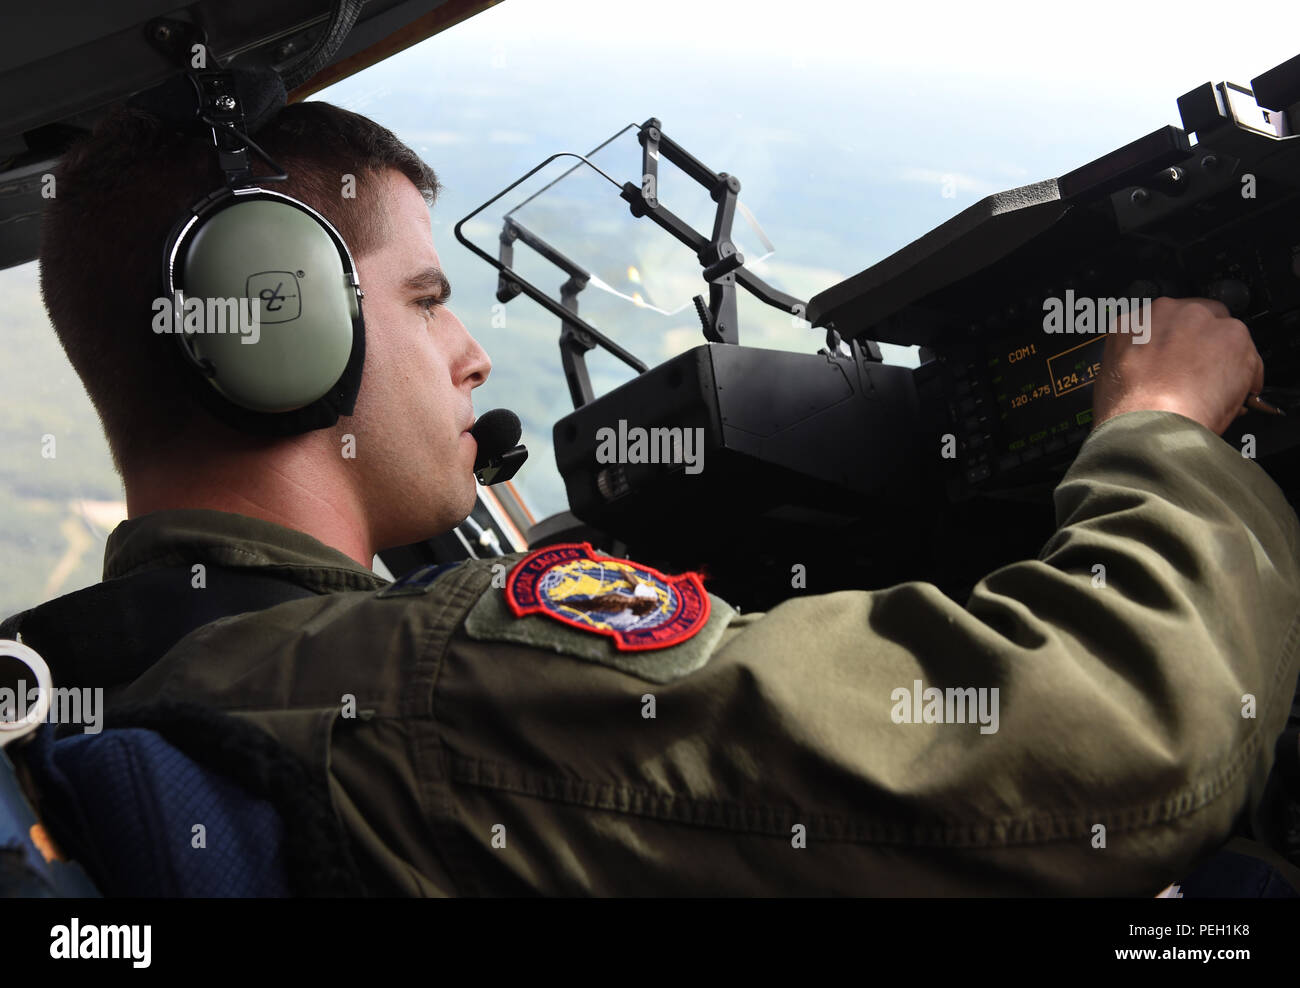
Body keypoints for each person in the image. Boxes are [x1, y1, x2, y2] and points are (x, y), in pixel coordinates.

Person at [17, 97, 1300, 895]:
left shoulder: (106, 673)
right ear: (274, 328)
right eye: (425, 298)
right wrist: (1160, 427)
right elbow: (1124, 744)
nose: (468, 351)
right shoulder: (435, 677)